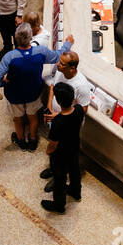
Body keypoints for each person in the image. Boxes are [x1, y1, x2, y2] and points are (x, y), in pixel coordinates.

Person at [0, 22, 73, 150]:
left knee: (17, 119)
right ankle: (33, 140)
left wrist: (4, 82)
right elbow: (57, 57)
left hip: (14, 95)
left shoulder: (9, 57)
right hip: (33, 93)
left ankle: (21, 141)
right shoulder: (40, 51)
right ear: (31, 38)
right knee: (33, 117)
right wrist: (68, 43)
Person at [41, 82, 85, 213]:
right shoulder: (79, 110)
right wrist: (58, 115)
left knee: (59, 179)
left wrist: (48, 152)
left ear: (58, 102)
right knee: (74, 170)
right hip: (74, 147)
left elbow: (53, 143)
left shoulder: (57, 123)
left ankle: (59, 205)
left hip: (60, 154)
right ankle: (75, 192)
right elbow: (68, 114)